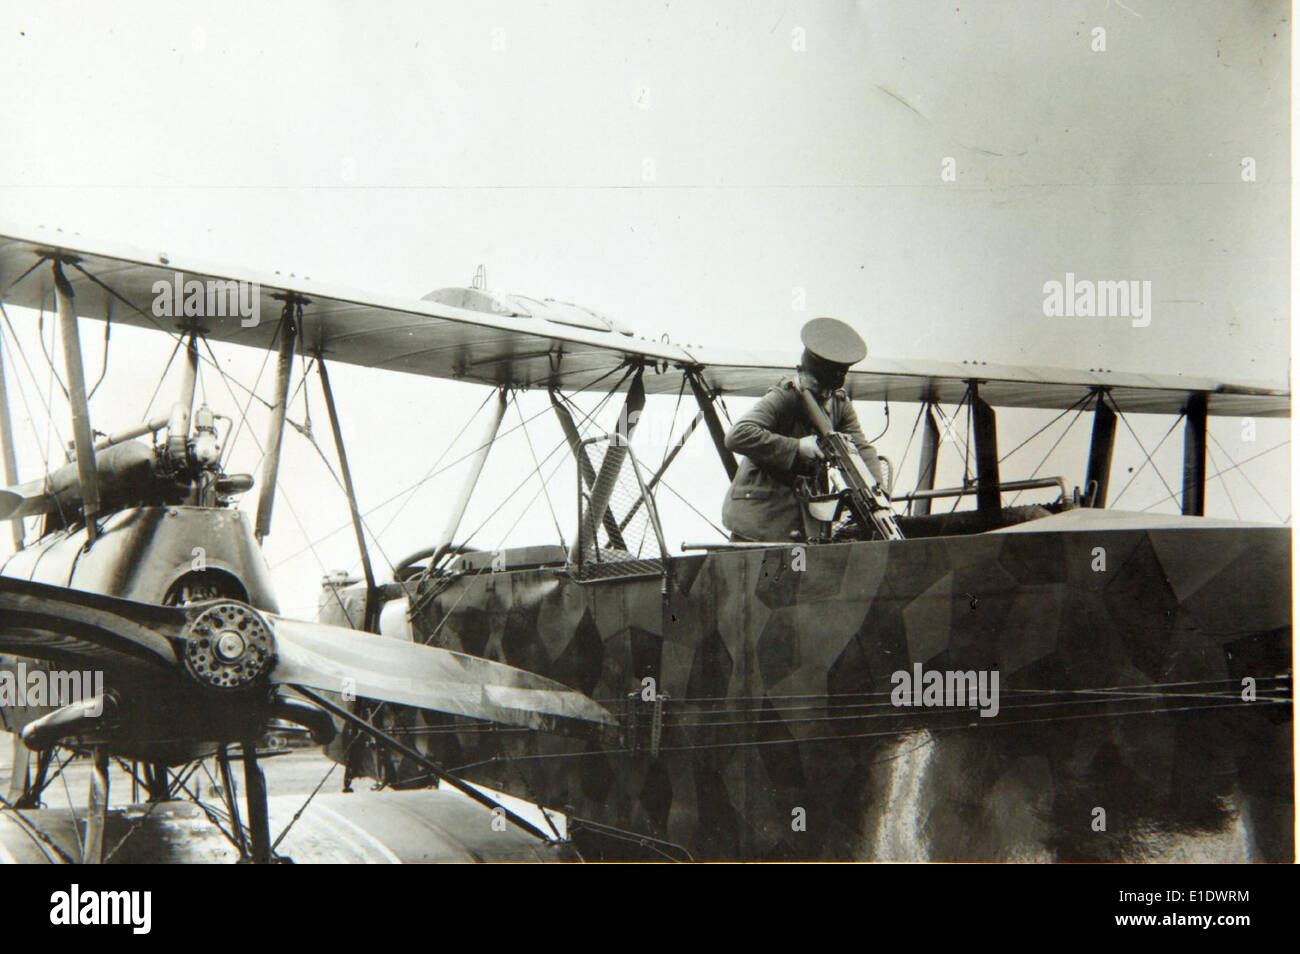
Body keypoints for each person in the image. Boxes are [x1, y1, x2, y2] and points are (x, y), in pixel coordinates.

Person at [721, 317, 885, 542]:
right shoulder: (784, 396)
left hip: (803, 522)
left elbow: (860, 447)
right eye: (819, 387)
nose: (825, 395)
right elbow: (737, 435)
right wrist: (797, 446)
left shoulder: (839, 403)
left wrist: (878, 492)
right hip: (760, 518)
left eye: (830, 390)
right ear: (802, 372)